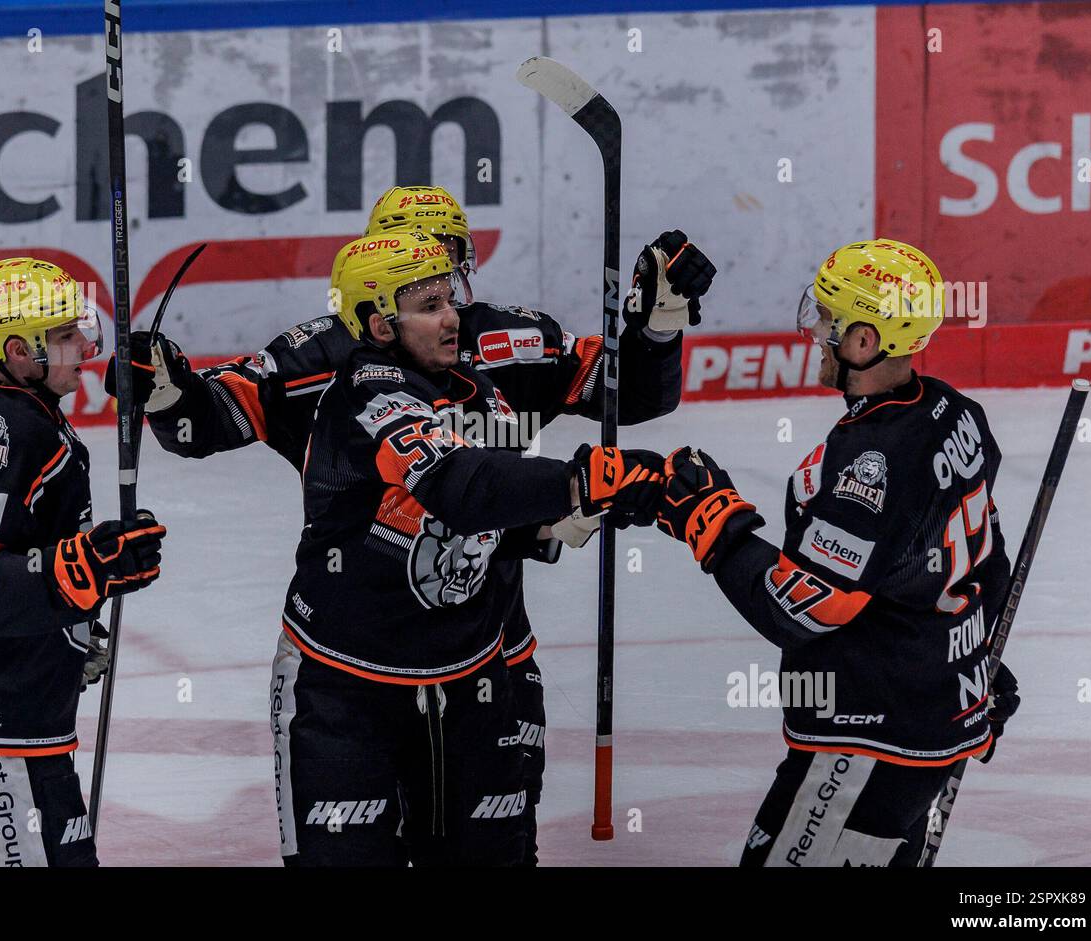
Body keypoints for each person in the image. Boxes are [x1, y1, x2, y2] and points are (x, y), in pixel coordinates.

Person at [106, 185, 716, 862]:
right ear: (375, 303)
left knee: (490, 850)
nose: (445, 297)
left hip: (483, 640)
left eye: (449, 268)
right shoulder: (332, 362)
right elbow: (206, 420)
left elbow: (625, 395)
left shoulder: (495, 350)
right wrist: (165, 392)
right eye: (422, 284)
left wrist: (655, 330)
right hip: (355, 647)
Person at [270, 231, 661, 864]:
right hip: (350, 682)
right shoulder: (369, 392)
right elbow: (456, 485)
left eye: (449, 298)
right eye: (427, 305)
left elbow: (477, 513)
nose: (452, 317)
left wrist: (548, 526)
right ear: (378, 322)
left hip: (468, 677)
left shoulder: (481, 394)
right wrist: (578, 479)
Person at [651, 238, 1019, 866]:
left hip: (865, 741)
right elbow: (987, 564)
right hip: (928, 718)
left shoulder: (872, 461)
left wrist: (710, 521)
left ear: (864, 341)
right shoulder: (957, 413)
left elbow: (805, 607)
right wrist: (973, 667)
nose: (813, 331)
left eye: (827, 319)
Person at [0, 257, 165, 867]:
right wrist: (86, 570)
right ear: (19, 350)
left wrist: (68, 629)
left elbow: (20, 553)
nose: (83, 347)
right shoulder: (7, 429)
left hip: (4, 702)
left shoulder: (19, 413)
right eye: (65, 336)